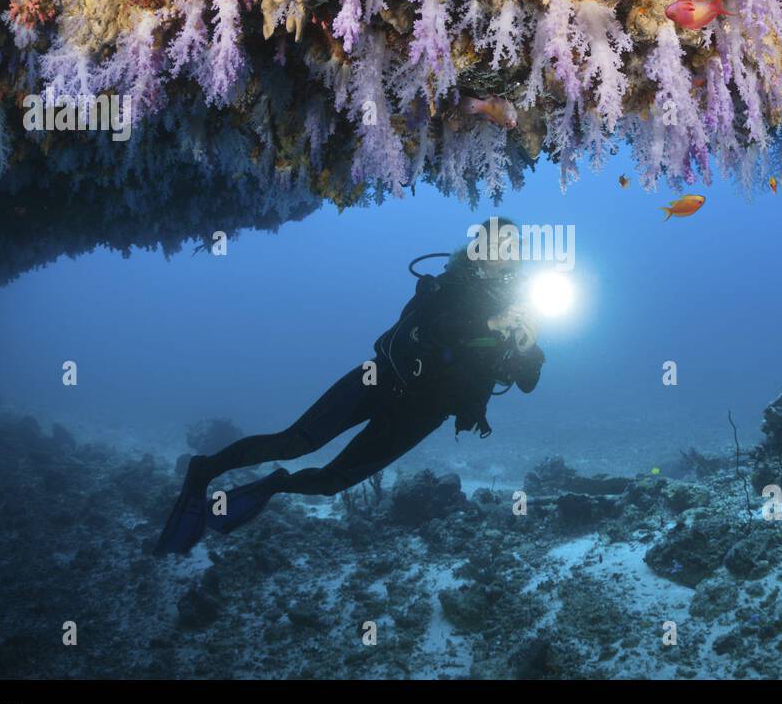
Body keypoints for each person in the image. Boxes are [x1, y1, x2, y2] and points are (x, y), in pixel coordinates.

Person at [155, 220, 545, 554]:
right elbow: (426, 329)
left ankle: (274, 485)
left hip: (423, 414)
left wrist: (527, 350)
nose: (509, 250)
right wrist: (488, 325)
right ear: (477, 249)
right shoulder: (445, 287)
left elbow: (526, 382)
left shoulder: (521, 307)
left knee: (333, 482)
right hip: (380, 379)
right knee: (295, 443)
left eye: (515, 245)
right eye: (499, 242)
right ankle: (204, 470)